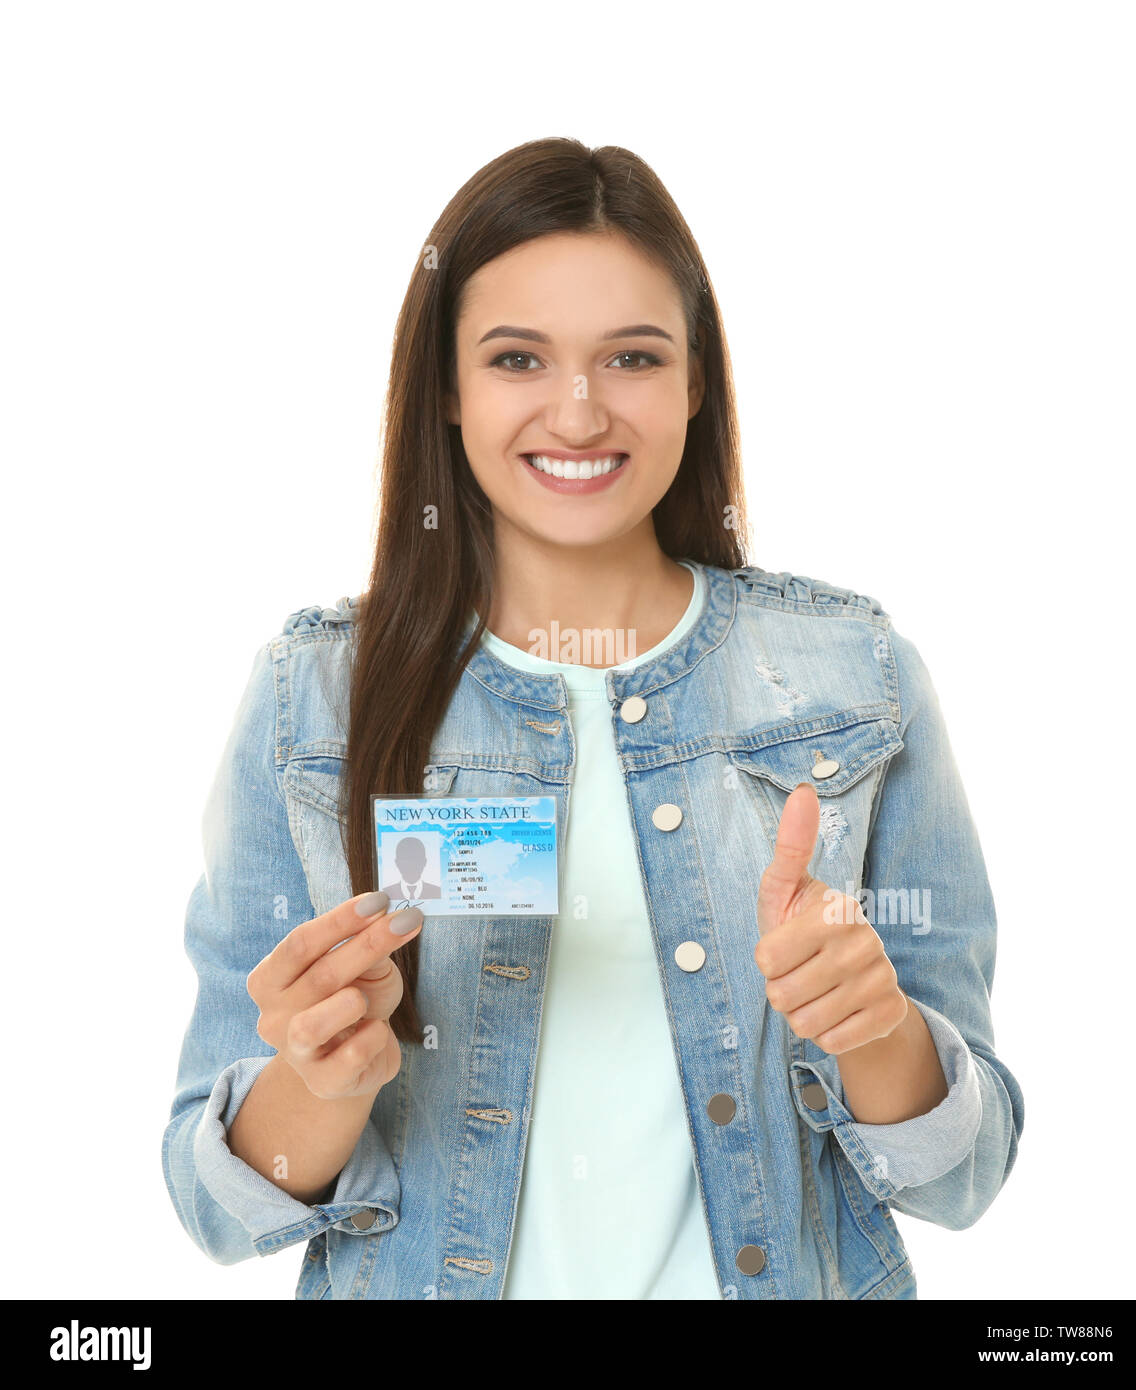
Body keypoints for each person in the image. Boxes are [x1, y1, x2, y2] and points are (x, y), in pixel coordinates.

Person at [162, 137, 1023, 1301]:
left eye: (630, 356)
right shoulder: (312, 698)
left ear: (693, 382)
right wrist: (320, 1082)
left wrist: (875, 1032)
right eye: (518, 358)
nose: (577, 413)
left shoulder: (852, 678)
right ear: (448, 392)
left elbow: (963, 1177)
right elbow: (214, 1207)